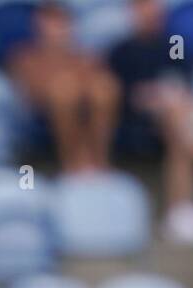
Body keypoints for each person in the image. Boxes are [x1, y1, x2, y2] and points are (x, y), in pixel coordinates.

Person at [107, 0, 193, 245]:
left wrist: (165, 95)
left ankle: (180, 213)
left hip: (174, 119)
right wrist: (153, 97)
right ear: (133, 13)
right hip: (136, 125)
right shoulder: (122, 51)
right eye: (142, 8)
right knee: (178, 115)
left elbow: (185, 82)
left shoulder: (173, 44)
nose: (149, 14)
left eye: (152, 8)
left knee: (178, 122)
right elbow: (121, 96)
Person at [7, 2, 118, 173]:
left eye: (61, 23)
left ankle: (99, 159)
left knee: (103, 88)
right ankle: (72, 163)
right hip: (43, 110)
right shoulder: (25, 56)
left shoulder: (83, 55)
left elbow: (96, 80)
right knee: (65, 91)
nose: (57, 29)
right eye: (51, 23)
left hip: (83, 103)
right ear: (38, 26)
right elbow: (31, 91)